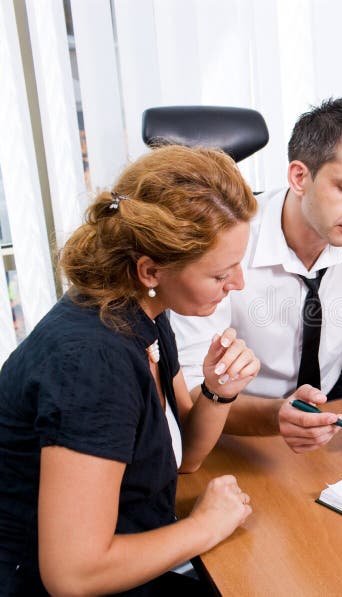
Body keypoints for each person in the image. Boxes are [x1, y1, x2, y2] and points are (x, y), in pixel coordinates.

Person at [0, 145, 261, 596]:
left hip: (134, 553)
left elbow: (185, 460)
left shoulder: (145, 315)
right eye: (221, 274)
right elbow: (74, 575)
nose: (238, 283)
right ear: (150, 269)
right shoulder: (93, 364)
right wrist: (206, 526)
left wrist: (219, 391)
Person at [172, 98, 342, 466]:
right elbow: (189, 391)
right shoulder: (225, 243)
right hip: (234, 436)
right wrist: (273, 416)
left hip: (326, 432)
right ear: (299, 177)